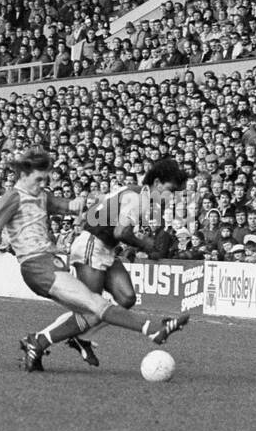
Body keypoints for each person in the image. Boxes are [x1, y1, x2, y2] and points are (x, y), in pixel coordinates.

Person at [0, 149, 189, 372]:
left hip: (60, 258)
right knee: (93, 307)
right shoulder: (15, 196)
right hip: (52, 258)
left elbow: (68, 206)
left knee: (115, 302)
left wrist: (82, 203)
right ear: (23, 175)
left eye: (45, 179)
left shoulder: (42, 195)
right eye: (38, 179)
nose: (42, 184)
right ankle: (150, 329)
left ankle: (45, 341)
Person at [50, 157, 192, 367]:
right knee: (90, 308)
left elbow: (104, 217)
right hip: (92, 245)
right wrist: (146, 245)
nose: (171, 197)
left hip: (104, 248)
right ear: (158, 183)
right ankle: (40, 340)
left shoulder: (134, 191)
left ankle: (82, 338)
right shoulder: (138, 199)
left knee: (126, 298)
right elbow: (121, 231)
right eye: (170, 190)